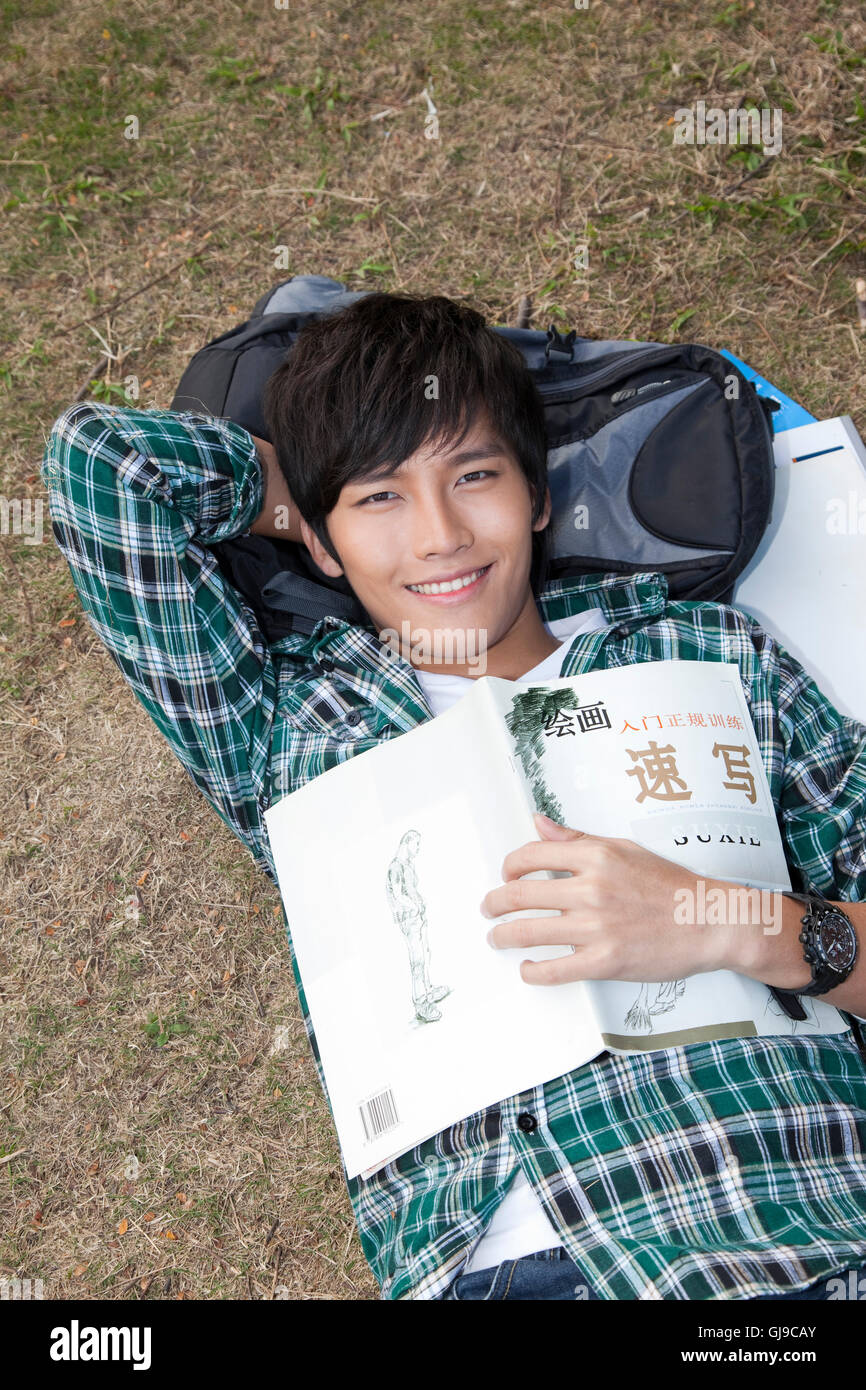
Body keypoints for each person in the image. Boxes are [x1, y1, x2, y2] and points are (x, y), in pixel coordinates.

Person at [42, 292, 866, 1302]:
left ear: (536, 495)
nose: (438, 537)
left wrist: (729, 923)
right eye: (379, 496)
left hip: (767, 1253)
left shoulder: (709, 651)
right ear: (320, 539)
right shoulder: (288, 728)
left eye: (473, 475)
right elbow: (101, 467)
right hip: (478, 1274)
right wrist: (295, 477)